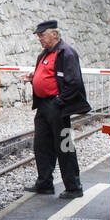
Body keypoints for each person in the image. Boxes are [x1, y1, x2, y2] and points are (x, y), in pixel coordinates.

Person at [19, 20, 91, 198]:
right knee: (41, 146)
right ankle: (44, 183)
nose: (40, 39)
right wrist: (34, 78)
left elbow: (74, 82)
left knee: (65, 147)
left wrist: (60, 101)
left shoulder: (66, 53)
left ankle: (74, 187)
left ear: (54, 35)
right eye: (38, 36)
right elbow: (48, 75)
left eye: (42, 35)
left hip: (57, 107)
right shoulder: (45, 54)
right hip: (43, 106)